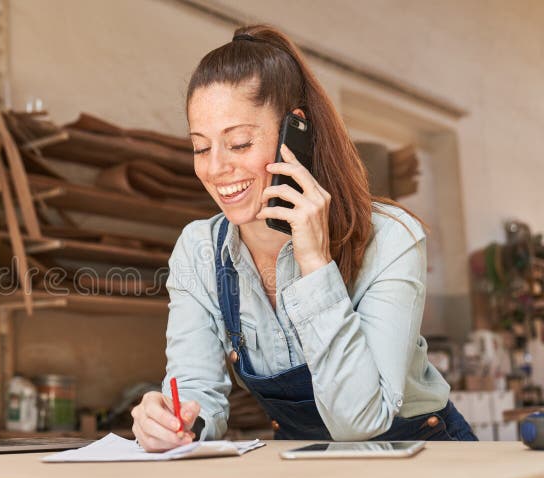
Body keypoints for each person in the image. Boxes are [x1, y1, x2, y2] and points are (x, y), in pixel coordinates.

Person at [131, 24, 477, 451]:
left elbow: (359, 421)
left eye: (238, 143)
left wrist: (315, 265)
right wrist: (173, 420)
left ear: (297, 132)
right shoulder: (199, 249)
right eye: (201, 148)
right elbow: (197, 389)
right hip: (312, 468)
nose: (215, 168)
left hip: (427, 459)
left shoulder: (390, 238)